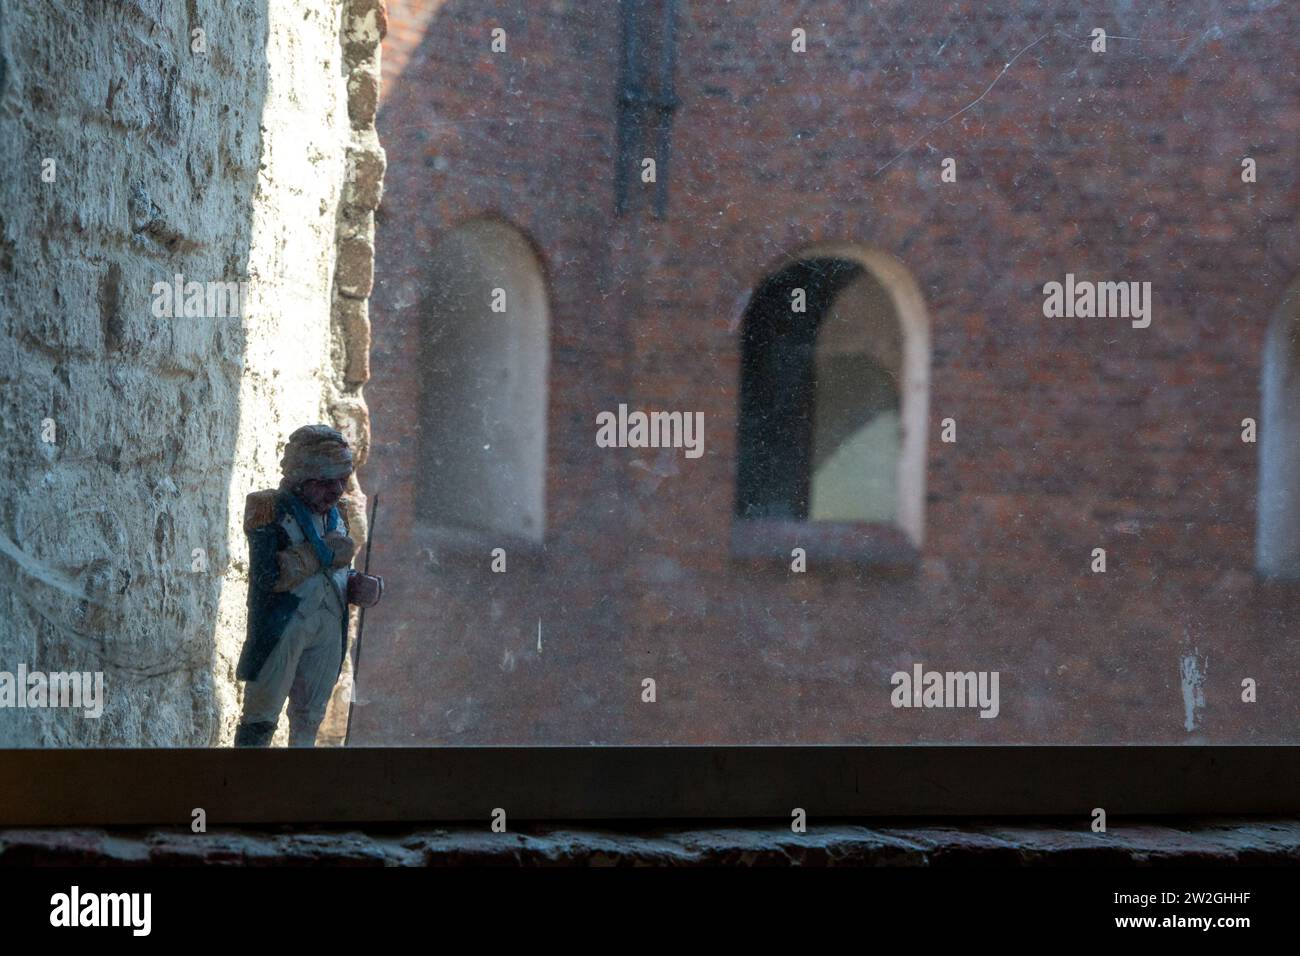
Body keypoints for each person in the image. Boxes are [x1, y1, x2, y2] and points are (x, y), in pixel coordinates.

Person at [233, 425, 383, 747]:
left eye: (341, 480)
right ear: (302, 477)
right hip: (285, 626)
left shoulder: (336, 513)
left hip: (327, 625)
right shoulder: (269, 509)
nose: (336, 490)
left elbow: (340, 571)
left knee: (310, 716)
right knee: (262, 714)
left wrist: (360, 586)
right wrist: (323, 552)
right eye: (326, 482)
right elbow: (268, 577)